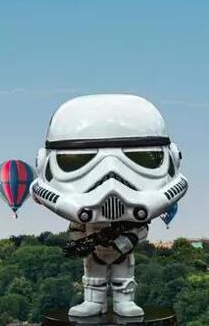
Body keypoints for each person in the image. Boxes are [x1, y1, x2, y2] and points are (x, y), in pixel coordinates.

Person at [30, 95, 189, 321]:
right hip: (95, 251)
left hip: (120, 250)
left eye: (139, 158)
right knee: (93, 273)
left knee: (123, 275)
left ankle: (124, 301)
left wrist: (123, 242)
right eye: (79, 160)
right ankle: (93, 302)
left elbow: (139, 231)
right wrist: (83, 242)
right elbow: (77, 228)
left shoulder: (130, 221)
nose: (111, 181)